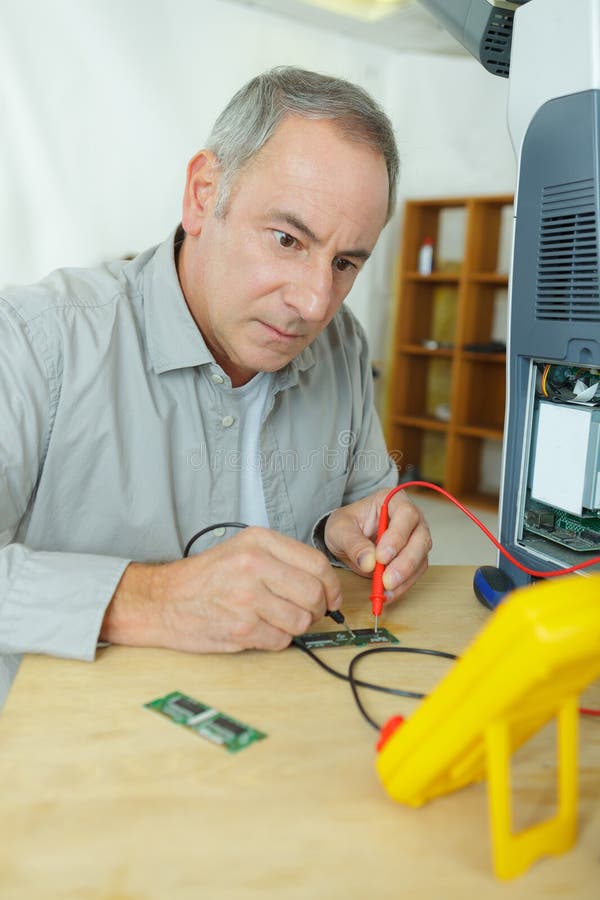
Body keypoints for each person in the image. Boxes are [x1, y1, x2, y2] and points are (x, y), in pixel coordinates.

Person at [0, 66, 431, 704]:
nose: (315, 303)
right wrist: (152, 600)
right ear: (204, 194)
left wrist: (354, 535)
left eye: (345, 264)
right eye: (288, 239)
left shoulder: (343, 346)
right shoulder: (38, 339)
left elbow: (367, 511)